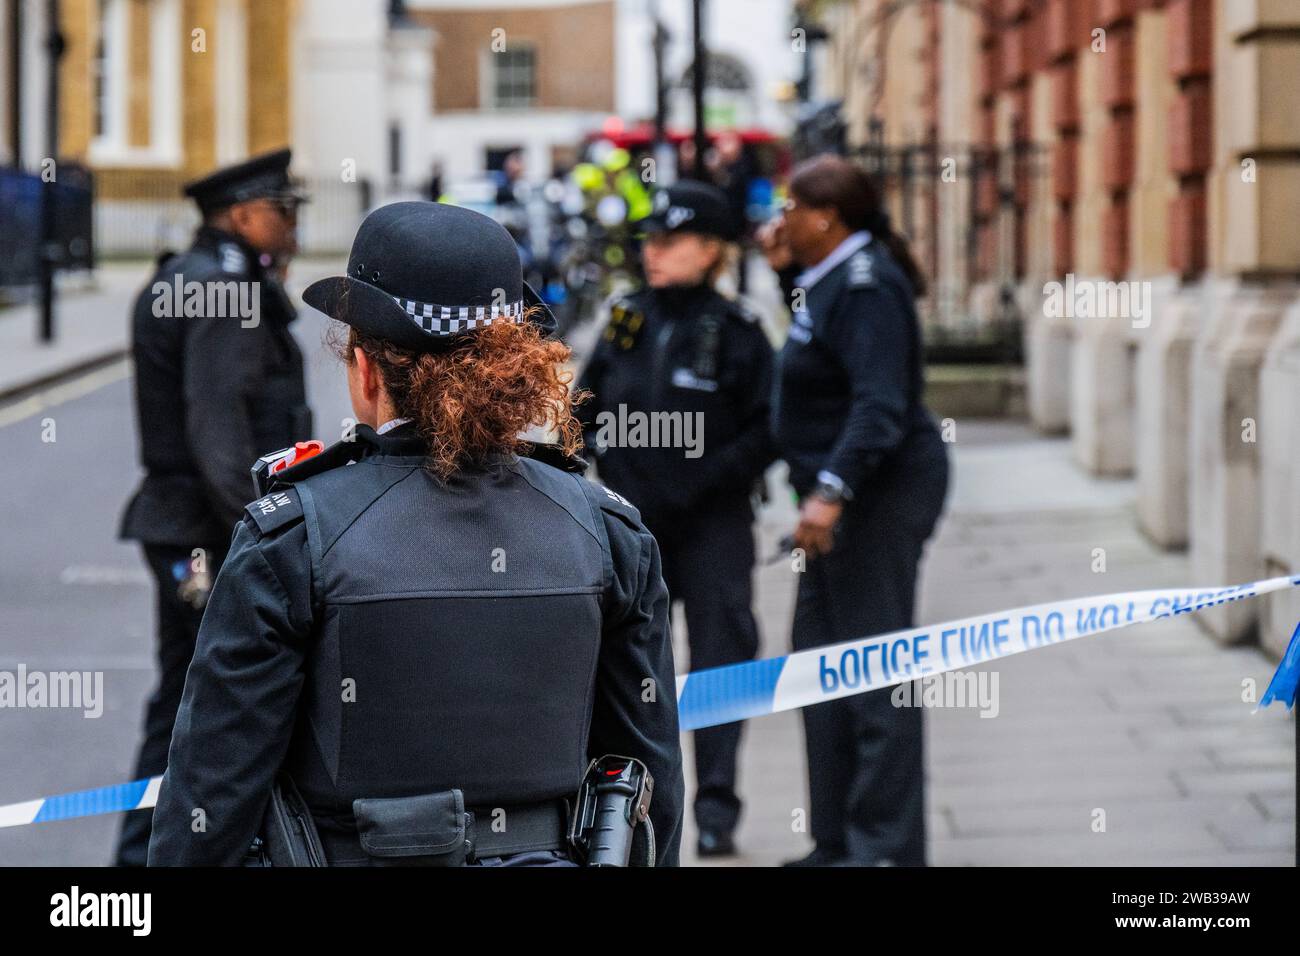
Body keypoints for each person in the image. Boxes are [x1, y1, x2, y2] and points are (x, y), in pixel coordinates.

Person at [146, 200, 684, 867]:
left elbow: (210, 801)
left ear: (366, 368)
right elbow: (649, 792)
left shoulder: (290, 540)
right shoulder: (609, 532)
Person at [115, 148, 309, 867]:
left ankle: (142, 861)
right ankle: (143, 866)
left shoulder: (195, 278)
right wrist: (264, 536)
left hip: (189, 526)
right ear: (241, 215)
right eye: (281, 212)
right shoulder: (221, 290)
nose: (290, 225)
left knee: (192, 702)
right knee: (210, 709)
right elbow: (218, 432)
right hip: (207, 531)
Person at [759, 155, 949, 867]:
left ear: (827, 217)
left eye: (790, 209)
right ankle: (836, 839)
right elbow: (822, 355)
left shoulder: (868, 285)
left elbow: (878, 404)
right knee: (820, 665)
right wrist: (784, 274)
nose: (780, 220)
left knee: (875, 672)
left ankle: (886, 849)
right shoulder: (832, 279)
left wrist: (831, 491)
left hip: (876, 497)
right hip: (835, 504)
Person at [577, 180, 775, 857]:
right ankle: (634, 807)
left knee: (723, 663)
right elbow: (586, 404)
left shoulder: (741, 330)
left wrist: (708, 478)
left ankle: (717, 807)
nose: (653, 254)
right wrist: (596, 461)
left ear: (713, 251)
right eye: (649, 242)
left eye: (670, 242)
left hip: (715, 523)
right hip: (637, 526)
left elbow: (767, 427)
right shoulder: (628, 317)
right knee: (631, 669)